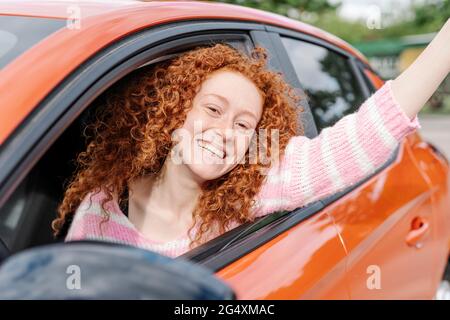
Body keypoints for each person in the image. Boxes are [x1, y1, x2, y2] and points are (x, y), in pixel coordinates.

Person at [52, 19, 450, 258]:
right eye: (212, 109)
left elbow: (364, 135)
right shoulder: (102, 205)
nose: (225, 132)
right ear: (174, 112)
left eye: (244, 126)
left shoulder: (248, 194)